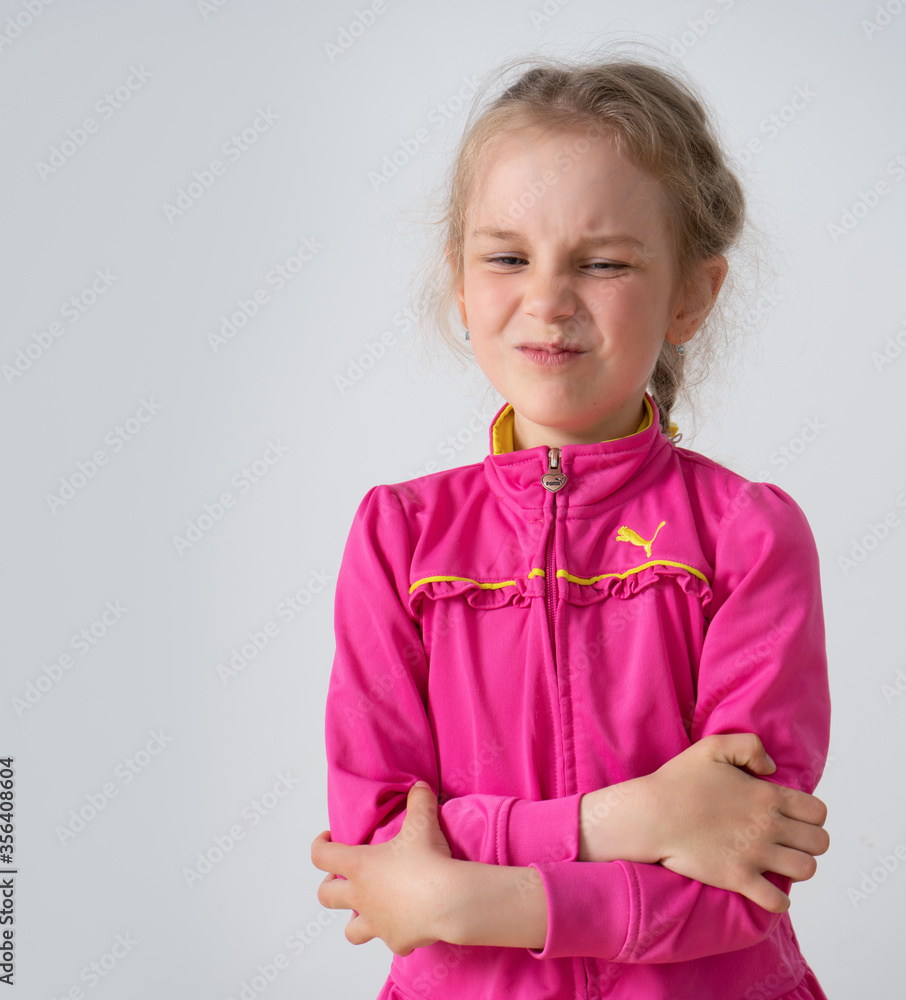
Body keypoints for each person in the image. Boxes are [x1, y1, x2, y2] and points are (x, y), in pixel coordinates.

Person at [311, 51, 832, 1000]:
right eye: (507, 256)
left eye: (603, 262)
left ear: (692, 293)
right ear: (461, 286)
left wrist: (464, 902)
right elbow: (378, 848)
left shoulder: (748, 536)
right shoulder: (399, 538)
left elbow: (748, 874)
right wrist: (637, 817)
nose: (547, 299)